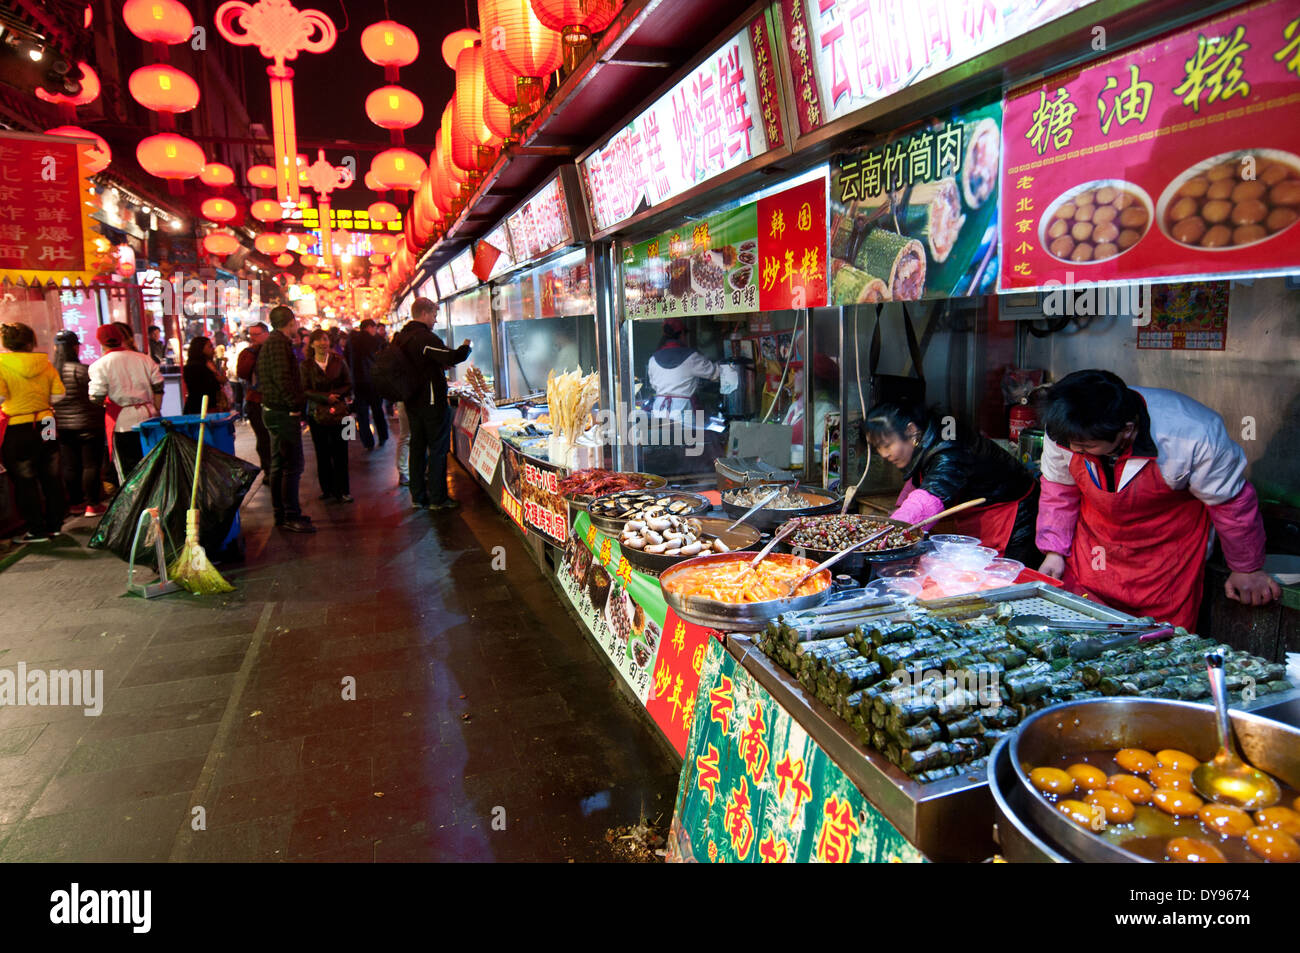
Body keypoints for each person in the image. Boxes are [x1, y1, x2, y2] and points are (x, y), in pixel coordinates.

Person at [1036, 369, 1279, 630]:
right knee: (1085, 634)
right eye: (1071, 444)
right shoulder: (1065, 426)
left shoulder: (1193, 433)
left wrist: (1246, 567)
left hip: (1165, 565)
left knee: (1159, 648)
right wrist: (1054, 551)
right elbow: (1059, 491)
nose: (1074, 451)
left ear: (1127, 431)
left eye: (1086, 448)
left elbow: (1230, 506)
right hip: (1093, 554)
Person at [865, 401, 1041, 567]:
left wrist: (892, 529)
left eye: (887, 445)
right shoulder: (929, 435)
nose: (884, 454)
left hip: (1013, 517)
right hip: (983, 515)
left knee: (1001, 578)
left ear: (911, 430)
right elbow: (922, 477)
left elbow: (930, 494)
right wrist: (900, 509)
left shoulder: (949, 449)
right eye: (878, 448)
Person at [395, 297, 469, 510]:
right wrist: (466, 348)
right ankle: (438, 498)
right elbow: (450, 356)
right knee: (438, 448)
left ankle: (418, 496)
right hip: (431, 402)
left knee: (417, 447)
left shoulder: (402, 337)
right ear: (424, 314)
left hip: (412, 402)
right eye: (434, 315)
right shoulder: (423, 337)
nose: (435, 320)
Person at [0, 322, 68, 543]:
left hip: (18, 426)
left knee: (24, 477)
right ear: (31, 342)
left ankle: (36, 529)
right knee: (51, 472)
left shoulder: (1, 364)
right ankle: (56, 524)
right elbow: (59, 395)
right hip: (46, 422)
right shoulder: (45, 363)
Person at [256, 306, 314, 533]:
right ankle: (290, 514)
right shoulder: (279, 344)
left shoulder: (273, 343)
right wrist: (295, 406)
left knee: (280, 464)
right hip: (281, 413)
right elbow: (283, 379)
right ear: (291, 322)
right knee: (292, 464)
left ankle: (282, 514)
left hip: (274, 410)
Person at [88, 323, 163, 481]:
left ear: (100, 342)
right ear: (121, 337)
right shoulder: (143, 358)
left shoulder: (99, 365)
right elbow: (158, 385)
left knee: (128, 469)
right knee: (153, 463)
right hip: (148, 416)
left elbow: (96, 396)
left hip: (122, 421)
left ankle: (134, 503)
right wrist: (156, 408)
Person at [51, 330, 106, 518]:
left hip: (62, 427)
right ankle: (92, 505)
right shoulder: (82, 370)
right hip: (89, 424)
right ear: (75, 347)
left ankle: (75, 504)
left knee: (70, 465)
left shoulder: (51, 372)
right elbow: (96, 397)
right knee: (90, 465)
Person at [300, 329, 353, 503]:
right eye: (319, 340)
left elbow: (348, 383)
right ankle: (327, 489)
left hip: (341, 413)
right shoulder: (306, 365)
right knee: (322, 452)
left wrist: (335, 395)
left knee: (342, 452)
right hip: (316, 414)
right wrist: (324, 397)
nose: (323, 343)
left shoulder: (339, 361)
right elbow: (305, 389)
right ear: (312, 343)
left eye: (325, 339)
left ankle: (344, 490)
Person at [647, 317, 719, 424]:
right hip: (683, 410)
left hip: (659, 410)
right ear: (682, 335)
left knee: (664, 439)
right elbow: (715, 373)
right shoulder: (691, 357)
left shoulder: (653, 359)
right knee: (685, 439)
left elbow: (653, 385)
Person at [782, 354, 839, 467]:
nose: (796, 375)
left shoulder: (826, 411)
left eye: (800, 371)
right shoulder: (794, 407)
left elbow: (818, 452)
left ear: (812, 379)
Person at [347, 318, 389, 451]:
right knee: (377, 410)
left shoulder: (351, 342)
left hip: (358, 382)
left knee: (362, 414)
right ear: (370, 327)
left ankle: (367, 442)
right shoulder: (376, 340)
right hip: (373, 381)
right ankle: (383, 436)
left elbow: (347, 361)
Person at [236, 323, 271, 479]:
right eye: (251, 335)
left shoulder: (273, 350)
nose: (253, 338)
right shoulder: (248, 353)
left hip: (272, 400)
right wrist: (252, 354)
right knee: (262, 438)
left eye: (256, 334)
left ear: (266, 334)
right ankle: (268, 469)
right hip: (255, 400)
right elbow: (242, 373)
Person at [182, 336, 227, 415]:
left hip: (204, 407)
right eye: (210, 346)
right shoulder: (195, 367)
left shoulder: (208, 364)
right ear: (200, 348)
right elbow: (211, 386)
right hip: (202, 408)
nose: (213, 349)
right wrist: (215, 373)